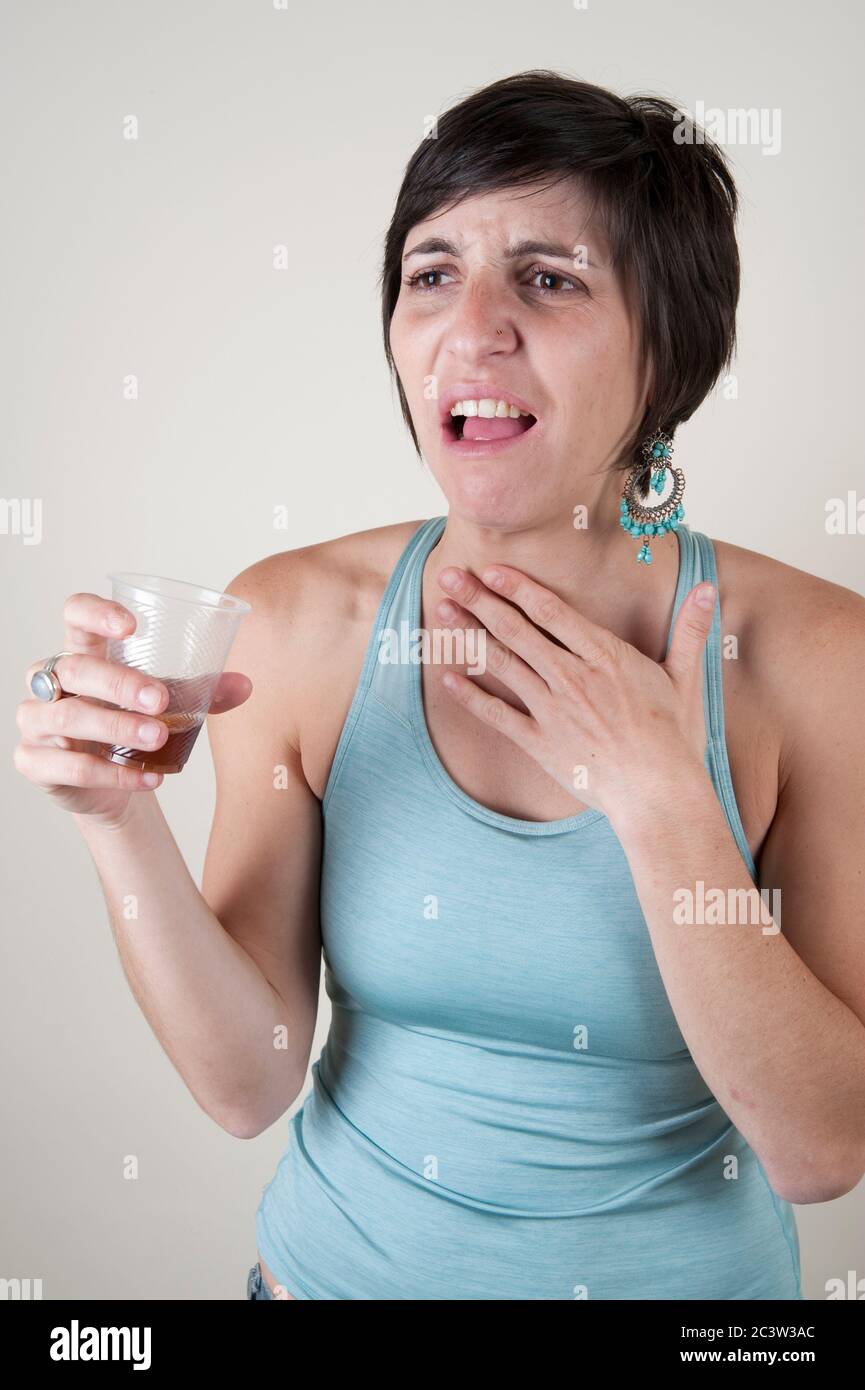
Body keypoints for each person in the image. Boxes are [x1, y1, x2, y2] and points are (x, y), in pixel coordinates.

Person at [15, 71, 865, 1301]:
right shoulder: (303, 624)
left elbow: (820, 1149)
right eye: (430, 274)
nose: (471, 329)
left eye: (548, 276)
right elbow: (246, 1083)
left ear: (666, 349)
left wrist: (661, 799)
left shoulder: (816, 658)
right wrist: (118, 823)